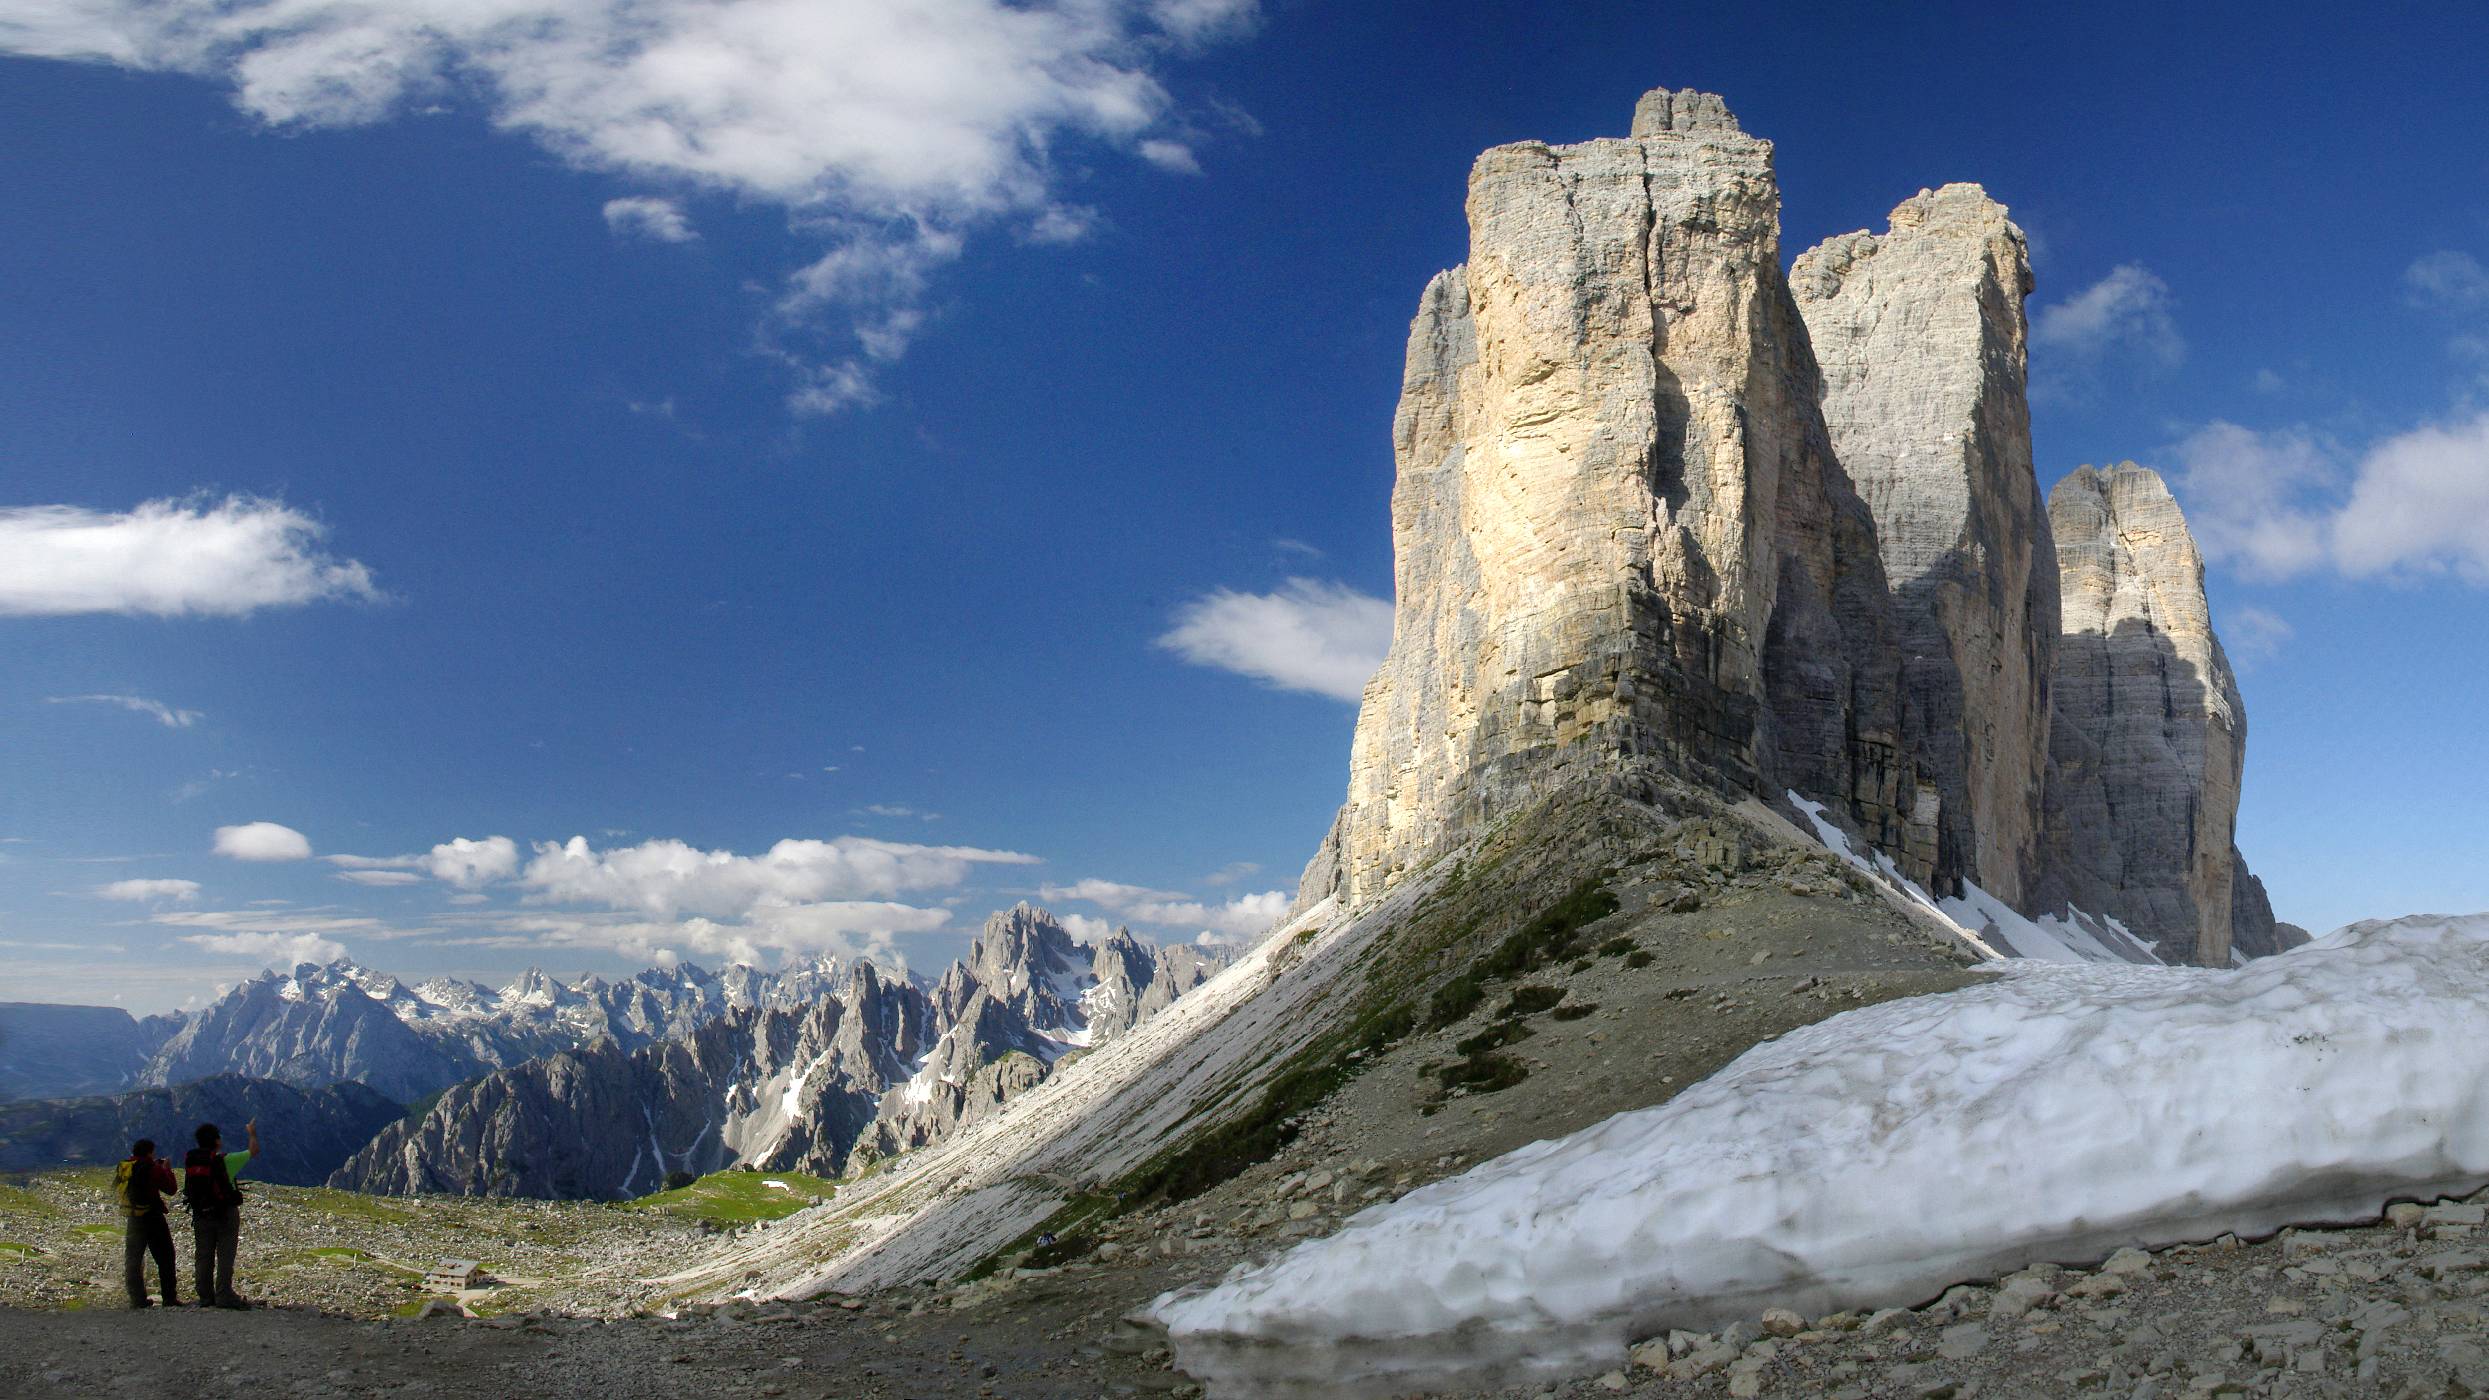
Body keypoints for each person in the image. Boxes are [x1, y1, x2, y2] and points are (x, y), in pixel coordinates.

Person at [183, 1119, 259, 1309]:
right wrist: (251, 1132)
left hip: (200, 1214)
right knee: (225, 1255)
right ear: (217, 1141)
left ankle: (205, 1296)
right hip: (225, 1214)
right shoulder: (225, 1161)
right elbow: (253, 1150)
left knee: (203, 1254)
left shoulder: (192, 1161)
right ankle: (224, 1294)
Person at [115, 1139, 180, 1309]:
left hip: (133, 1216)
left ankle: (137, 1299)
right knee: (165, 1257)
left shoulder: (125, 1166)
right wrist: (167, 1169)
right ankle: (169, 1298)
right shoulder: (153, 1168)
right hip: (152, 1217)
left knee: (133, 1259)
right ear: (150, 1152)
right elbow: (171, 1189)